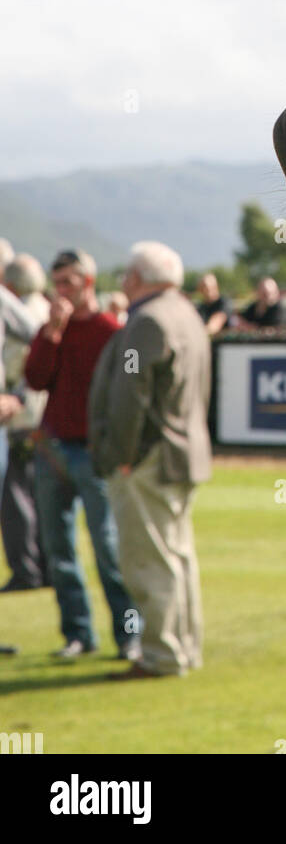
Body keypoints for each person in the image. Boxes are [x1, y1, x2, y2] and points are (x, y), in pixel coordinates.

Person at [89, 241, 211, 679]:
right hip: (182, 453)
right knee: (177, 558)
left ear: (138, 278)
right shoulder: (187, 314)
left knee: (149, 562)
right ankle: (183, 648)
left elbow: (130, 394)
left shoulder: (147, 321)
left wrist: (121, 456)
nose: (122, 281)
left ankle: (161, 655)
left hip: (148, 459)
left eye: (126, 274)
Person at [24, 249, 138, 661]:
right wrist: (52, 334)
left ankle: (130, 636)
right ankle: (78, 635)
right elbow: (35, 380)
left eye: (68, 283)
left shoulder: (112, 332)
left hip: (95, 453)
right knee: (59, 552)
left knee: (109, 552)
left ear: (88, 283)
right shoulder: (52, 328)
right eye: (56, 284)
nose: (60, 293)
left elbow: (128, 390)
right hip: (52, 451)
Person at [0, 254, 50, 591]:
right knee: (40, 495)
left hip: (20, 418)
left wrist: (15, 393)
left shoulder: (17, 309)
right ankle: (45, 566)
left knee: (17, 498)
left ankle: (28, 568)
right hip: (43, 415)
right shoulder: (46, 308)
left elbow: (28, 354)